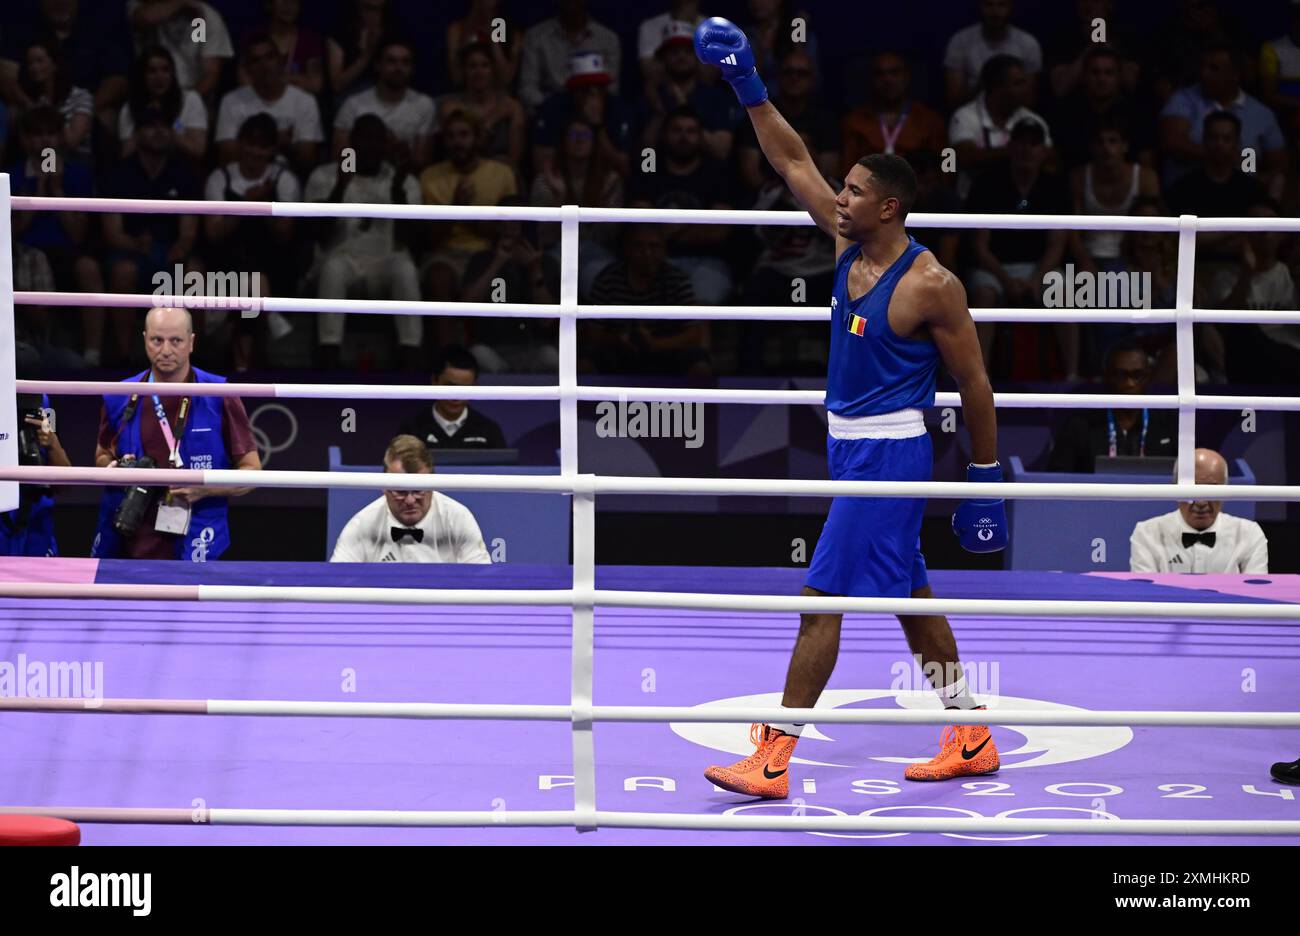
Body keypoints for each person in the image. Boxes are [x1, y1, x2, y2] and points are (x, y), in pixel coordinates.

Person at [695, 16, 1007, 796]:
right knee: (908, 596)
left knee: (819, 600)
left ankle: (772, 755)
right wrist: (747, 85)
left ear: (890, 208)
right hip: (852, 447)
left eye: (857, 191)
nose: (841, 196)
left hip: (892, 456)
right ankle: (970, 733)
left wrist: (987, 474)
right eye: (845, 187)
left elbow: (974, 383)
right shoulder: (845, 245)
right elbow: (792, 156)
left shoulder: (931, 283)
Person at [91, 307, 261, 561]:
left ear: (191, 342)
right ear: (145, 339)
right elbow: (102, 453)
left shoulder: (220, 394)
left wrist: (205, 488)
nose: (166, 350)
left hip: (197, 539)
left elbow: (252, 472)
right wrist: (112, 468)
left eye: (176, 341)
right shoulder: (119, 394)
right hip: (126, 535)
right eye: (157, 340)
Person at [304, 113, 423, 371]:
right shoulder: (324, 177)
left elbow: (411, 239)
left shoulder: (404, 181)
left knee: (406, 269)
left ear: (386, 145)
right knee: (333, 268)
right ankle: (329, 355)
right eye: (364, 139)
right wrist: (339, 188)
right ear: (352, 143)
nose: (370, 146)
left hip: (384, 266)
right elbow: (316, 233)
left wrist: (398, 190)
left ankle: (411, 356)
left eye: (376, 140)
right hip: (342, 261)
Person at [330, 435, 491, 563]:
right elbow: (337, 587)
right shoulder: (361, 526)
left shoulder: (458, 519)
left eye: (418, 490)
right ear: (383, 487)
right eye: (400, 491)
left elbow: (482, 584)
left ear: (434, 483)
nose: (410, 500)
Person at [1047, 340, 1178, 473]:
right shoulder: (1081, 425)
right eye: (1121, 375)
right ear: (1107, 377)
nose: (1130, 383)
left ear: (1148, 377)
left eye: (1137, 375)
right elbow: (1057, 475)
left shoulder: (1168, 423)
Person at [1129, 448, 1267, 573]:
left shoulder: (1249, 534)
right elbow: (1145, 594)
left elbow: (1256, 595)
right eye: (1192, 490)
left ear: (1226, 490)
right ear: (1173, 490)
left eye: (1211, 490)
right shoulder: (1147, 533)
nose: (1201, 502)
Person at [214, 32, 323, 175]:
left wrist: (252, 146)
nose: (265, 65)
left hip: (290, 177)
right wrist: (279, 142)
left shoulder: (305, 101)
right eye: (256, 60)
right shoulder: (231, 101)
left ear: (280, 61)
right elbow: (228, 155)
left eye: (270, 57)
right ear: (247, 68)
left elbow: (307, 158)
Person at [332, 37, 435, 171]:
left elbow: (421, 163)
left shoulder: (424, 105)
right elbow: (342, 161)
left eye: (405, 62)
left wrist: (401, 153)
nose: (399, 68)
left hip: (403, 179)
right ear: (378, 65)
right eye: (391, 61)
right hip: (358, 177)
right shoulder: (353, 105)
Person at [396, 347, 508, 450]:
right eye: (450, 387)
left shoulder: (489, 430)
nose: (456, 396)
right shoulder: (412, 429)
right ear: (434, 381)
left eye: (465, 388)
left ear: (475, 387)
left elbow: (505, 470)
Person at [943, 0, 1042, 109]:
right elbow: (954, 99)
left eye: (1002, 5)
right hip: (972, 112)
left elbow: (1030, 99)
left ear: (1011, 7)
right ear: (980, 6)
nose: (995, 12)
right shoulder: (960, 41)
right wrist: (986, 85)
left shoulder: (1028, 43)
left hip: (1015, 113)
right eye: (988, 5)